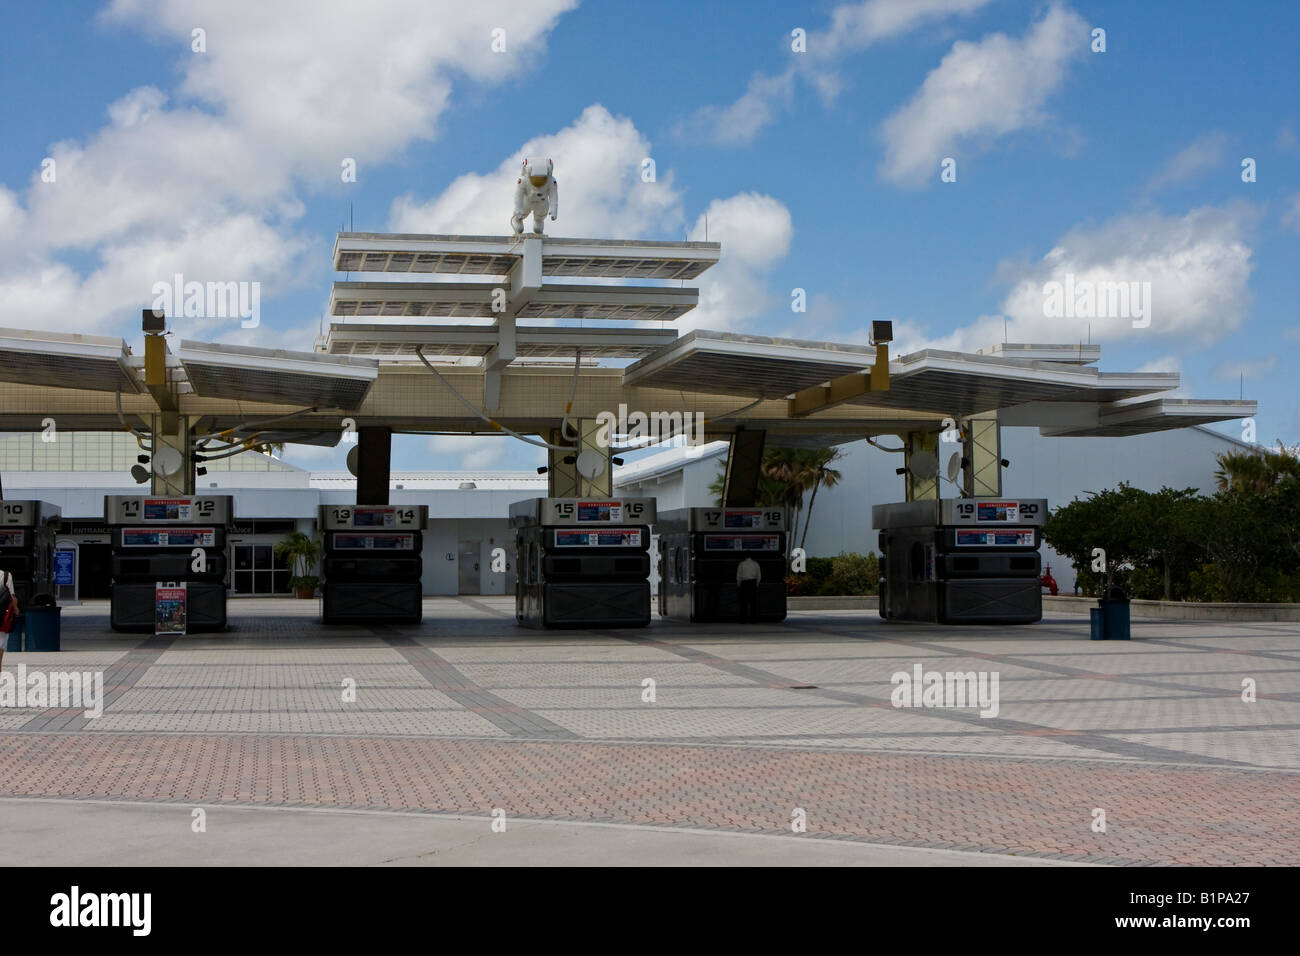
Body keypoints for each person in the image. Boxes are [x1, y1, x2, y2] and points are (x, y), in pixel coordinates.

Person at [735, 555, 762, 624]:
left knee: (743, 603)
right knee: (753, 603)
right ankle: (753, 620)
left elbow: (739, 575)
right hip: (752, 583)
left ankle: (743, 620)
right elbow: (759, 576)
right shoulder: (756, 564)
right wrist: (756, 584)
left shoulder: (741, 564)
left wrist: (738, 584)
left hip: (744, 584)